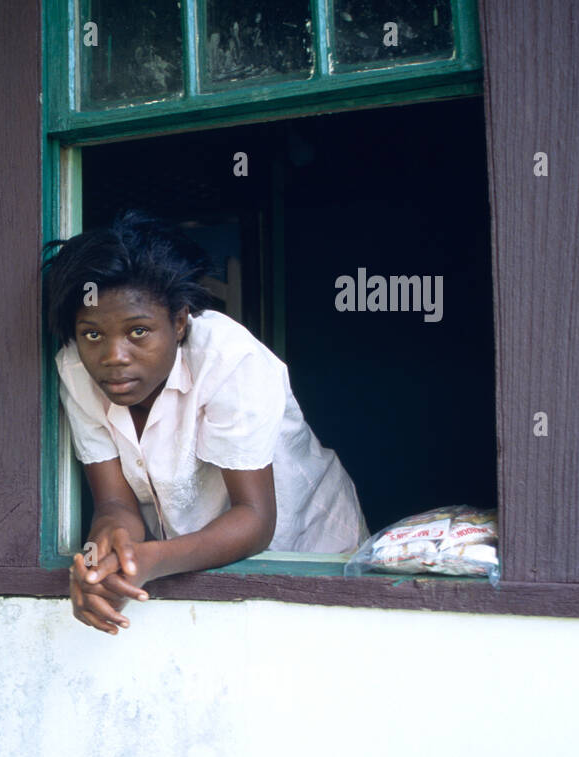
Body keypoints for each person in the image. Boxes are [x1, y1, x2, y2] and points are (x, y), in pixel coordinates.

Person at [42, 210, 368, 634]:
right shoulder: (75, 369)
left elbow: (254, 518)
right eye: (92, 334)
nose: (113, 357)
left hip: (308, 551)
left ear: (178, 322)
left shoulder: (229, 360)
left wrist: (148, 560)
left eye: (138, 331)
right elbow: (115, 506)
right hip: (187, 562)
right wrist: (98, 562)